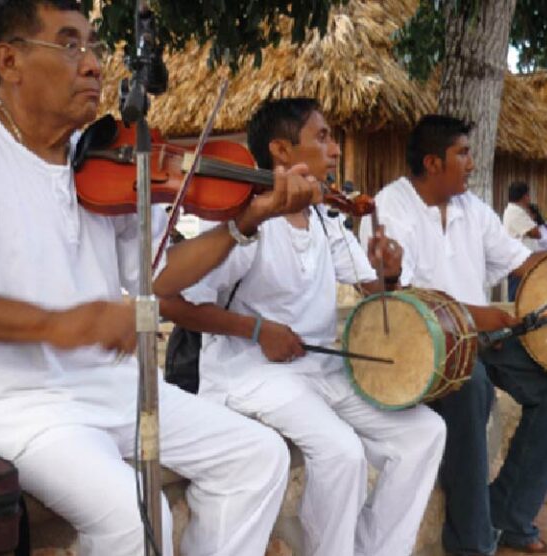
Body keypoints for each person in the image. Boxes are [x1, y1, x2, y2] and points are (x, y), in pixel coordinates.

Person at [0, 2, 324, 555]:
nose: (93, 64)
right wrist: (60, 325)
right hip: (14, 405)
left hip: (114, 389)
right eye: (69, 45)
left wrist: (245, 222)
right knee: (134, 516)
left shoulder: (104, 160)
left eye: (93, 46)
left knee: (258, 456)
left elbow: (160, 276)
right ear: (10, 61)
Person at [157, 97, 447, 556]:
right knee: (342, 452)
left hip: (318, 371)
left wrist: (390, 272)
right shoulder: (248, 218)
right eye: (322, 137)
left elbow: (374, 288)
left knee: (424, 433)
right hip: (251, 375)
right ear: (281, 150)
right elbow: (173, 302)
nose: (335, 149)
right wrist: (257, 329)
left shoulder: (326, 217)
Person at [359, 115, 547, 556]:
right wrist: (478, 317)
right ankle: (470, 543)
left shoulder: (471, 209)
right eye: (462, 154)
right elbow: (404, 297)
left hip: (477, 337)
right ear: (432, 162)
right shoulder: (390, 208)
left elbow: (520, 261)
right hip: (422, 346)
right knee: (472, 385)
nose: (471, 164)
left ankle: (509, 513)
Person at [502, 182, 547, 300]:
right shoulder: (516, 212)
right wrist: (534, 220)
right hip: (520, 265)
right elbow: (535, 233)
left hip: (524, 264)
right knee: (518, 299)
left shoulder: (516, 211)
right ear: (525, 196)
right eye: (528, 195)